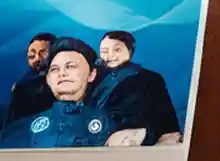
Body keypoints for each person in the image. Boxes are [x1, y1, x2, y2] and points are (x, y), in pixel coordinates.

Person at [0, 38, 145, 149]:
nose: (62, 73)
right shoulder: (23, 126)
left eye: (70, 66)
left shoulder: (111, 123)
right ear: (48, 79)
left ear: (91, 74)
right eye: (55, 69)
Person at [93, 30, 182, 146]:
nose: (110, 55)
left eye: (117, 50)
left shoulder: (150, 78)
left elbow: (165, 114)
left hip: (141, 140)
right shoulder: (94, 79)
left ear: (130, 50)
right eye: (104, 51)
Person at [3, 33, 57, 129]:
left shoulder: (66, 82)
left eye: (43, 52)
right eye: (32, 54)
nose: (37, 58)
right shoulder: (21, 87)